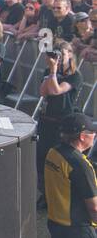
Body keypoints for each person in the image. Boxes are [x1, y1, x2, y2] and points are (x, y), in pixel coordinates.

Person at [43, 112, 97, 238]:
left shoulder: (53, 153)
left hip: (56, 226)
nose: (94, 135)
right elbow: (94, 207)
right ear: (82, 136)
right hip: (78, 232)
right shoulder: (80, 165)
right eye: (92, 132)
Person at [38, 41, 81, 198]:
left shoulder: (75, 76)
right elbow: (43, 92)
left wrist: (54, 71)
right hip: (46, 120)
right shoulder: (48, 71)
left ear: (70, 54)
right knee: (42, 158)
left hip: (62, 122)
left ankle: (59, 194)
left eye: (62, 54)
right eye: (56, 54)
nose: (58, 57)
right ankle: (45, 194)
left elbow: (56, 90)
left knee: (58, 160)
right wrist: (51, 71)